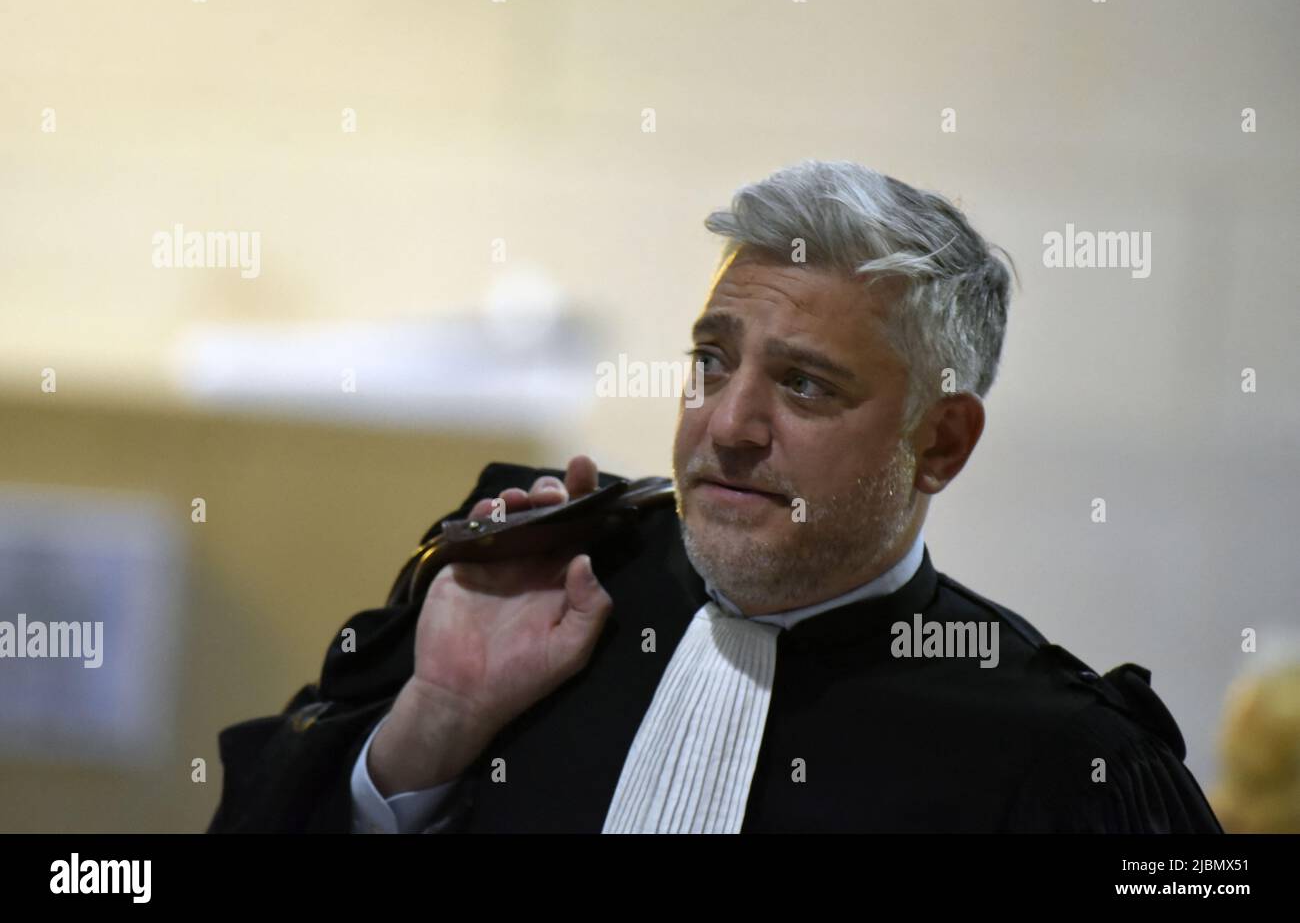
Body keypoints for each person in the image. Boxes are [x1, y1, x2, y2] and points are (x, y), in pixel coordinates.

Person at [208, 160, 1223, 833]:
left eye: (803, 384)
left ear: (938, 443)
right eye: (710, 361)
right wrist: (427, 731)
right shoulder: (532, 587)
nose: (727, 424)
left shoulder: (1062, 758)